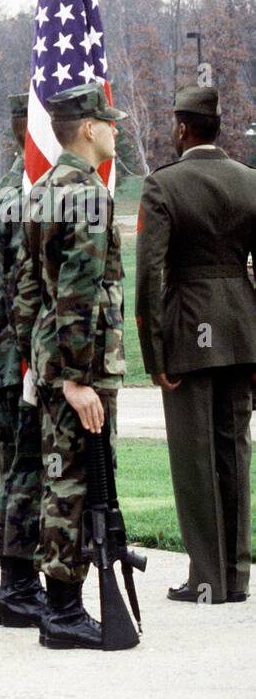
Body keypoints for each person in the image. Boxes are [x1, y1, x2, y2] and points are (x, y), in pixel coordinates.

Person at [15, 82, 130, 650]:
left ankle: (59, 603)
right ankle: (63, 612)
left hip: (53, 361)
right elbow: (79, 295)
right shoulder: (86, 194)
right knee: (76, 482)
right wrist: (77, 378)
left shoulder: (39, 190)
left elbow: (27, 290)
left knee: (61, 477)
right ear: (89, 128)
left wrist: (40, 362)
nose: (116, 129)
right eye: (108, 122)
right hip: (81, 367)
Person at [136, 84, 256, 605]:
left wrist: (154, 354)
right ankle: (235, 574)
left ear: (183, 128)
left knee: (194, 456)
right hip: (242, 330)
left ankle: (206, 577)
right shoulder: (250, 182)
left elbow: (148, 277)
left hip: (188, 330)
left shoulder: (165, 185)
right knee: (235, 452)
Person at [0, 94, 46, 624]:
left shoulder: (6, 190)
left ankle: (21, 583)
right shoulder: (20, 195)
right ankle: (18, 587)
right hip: (20, 358)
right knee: (25, 473)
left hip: (8, 357)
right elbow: (8, 294)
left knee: (21, 472)